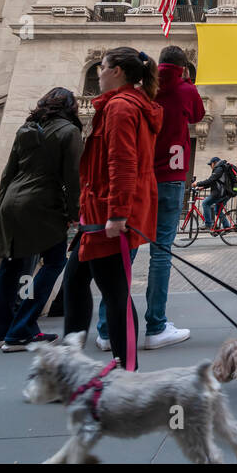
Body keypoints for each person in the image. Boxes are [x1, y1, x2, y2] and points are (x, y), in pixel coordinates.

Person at [97, 45, 203, 351]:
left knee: (124, 252)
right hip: (170, 179)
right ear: (183, 68)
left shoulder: (141, 91)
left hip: (141, 179)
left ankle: (107, 329)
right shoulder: (186, 89)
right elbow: (197, 114)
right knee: (161, 253)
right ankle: (156, 326)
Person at [63, 48, 162, 368]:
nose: (97, 73)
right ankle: (70, 358)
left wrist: (118, 214)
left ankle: (127, 367)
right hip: (96, 211)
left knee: (115, 293)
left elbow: (123, 162)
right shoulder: (124, 105)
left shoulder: (120, 108)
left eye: (101, 67)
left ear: (117, 71)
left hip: (108, 212)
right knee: (76, 282)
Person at [0, 88, 83, 351]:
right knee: (54, 261)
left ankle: (0, 332)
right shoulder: (69, 132)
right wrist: (74, 214)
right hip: (42, 205)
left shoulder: (25, 129)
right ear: (70, 106)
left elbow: (8, 173)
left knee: (11, 267)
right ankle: (21, 330)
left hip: (12, 201)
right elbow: (72, 179)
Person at [196, 156, 237, 231]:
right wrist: (203, 187)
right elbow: (215, 181)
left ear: (214, 163)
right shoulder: (222, 168)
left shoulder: (219, 169)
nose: (210, 166)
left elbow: (211, 180)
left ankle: (208, 224)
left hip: (220, 193)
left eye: (210, 164)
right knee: (217, 210)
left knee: (205, 203)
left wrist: (197, 184)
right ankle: (227, 227)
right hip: (226, 193)